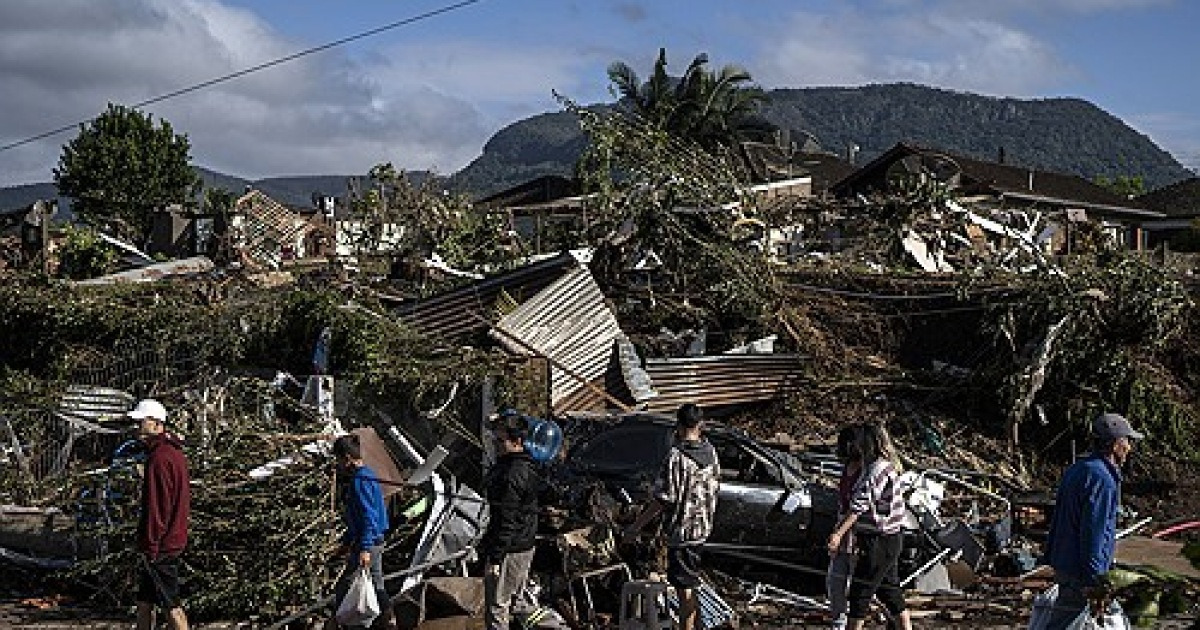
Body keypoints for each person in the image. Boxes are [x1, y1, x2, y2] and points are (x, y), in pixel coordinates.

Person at [625, 403, 721, 630]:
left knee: (684, 590)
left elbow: (663, 499)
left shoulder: (677, 457)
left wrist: (636, 526)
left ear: (677, 425)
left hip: (683, 532)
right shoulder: (711, 453)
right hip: (703, 528)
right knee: (691, 583)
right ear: (701, 425)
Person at [1042, 412, 1142, 629]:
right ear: (1115, 444)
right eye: (1127, 442)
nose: (1129, 449)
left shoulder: (1079, 469)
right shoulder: (1102, 479)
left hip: (1066, 562)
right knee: (1065, 622)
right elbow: (1094, 532)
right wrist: (1095, 580)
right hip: (1080, 569)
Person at [827, 423, 912, 630]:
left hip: (882, 539)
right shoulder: (870, 467)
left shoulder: (878, 469)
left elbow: (859, 504)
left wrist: (838, 534)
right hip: (881, 538)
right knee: (889, 591)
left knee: (860, 594)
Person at [130, 399, 191, 630]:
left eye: (141, 422)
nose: (136, 427)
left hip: (161, 545)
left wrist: (151, 546)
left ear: (156, 424)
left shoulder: (160, 459)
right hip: (167, 540)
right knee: (144, 601)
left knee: (171, 604)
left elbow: (158, 508)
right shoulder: (173, 453)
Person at [480, 412, 540, 630]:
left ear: (517, 441)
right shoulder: (526, 464)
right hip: (523, 544)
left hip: (510, 548)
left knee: (498, 606)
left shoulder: (511, 474)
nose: (496, 444)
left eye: (500, 440)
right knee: (519, 602)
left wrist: (495, 557)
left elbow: (507, 520)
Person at [330, 433, 392, 630]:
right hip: (375, 539)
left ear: (347, 458)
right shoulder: (367, 475)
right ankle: (389, 620)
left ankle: (343, 623)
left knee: (347, 585)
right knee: (376, 581)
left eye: (339, 459)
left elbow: (368, 517)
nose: (338, 464)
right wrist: (347, 542)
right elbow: (359, 517)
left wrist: (363, 548)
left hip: (370, 542)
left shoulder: (360, 481)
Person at [828, 425, 864, 630]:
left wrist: (840, 533)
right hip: (842, 528)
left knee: (859, 586)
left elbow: (858, 507)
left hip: (858, 532)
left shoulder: (866, 470)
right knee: (835, 581)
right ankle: (838, 623)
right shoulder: (847, 468)